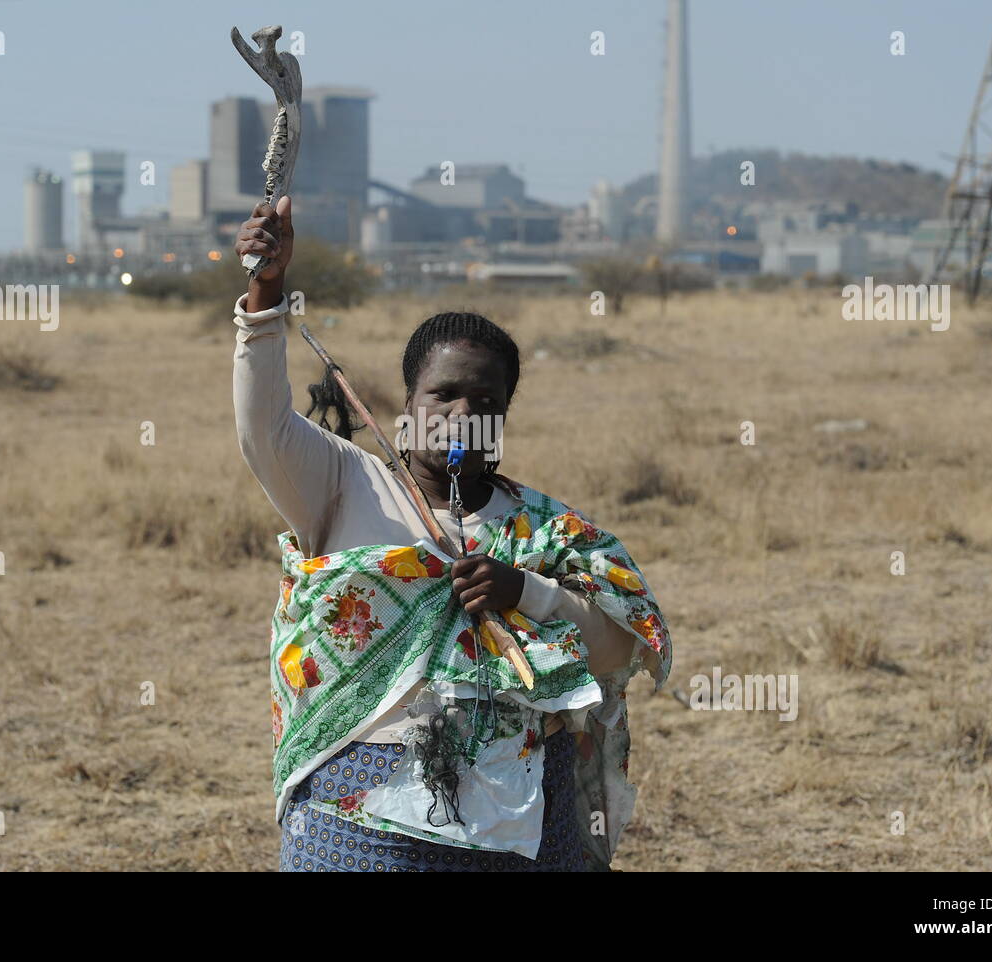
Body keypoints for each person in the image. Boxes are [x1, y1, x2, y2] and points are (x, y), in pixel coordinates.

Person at [233, 196, 672, 872]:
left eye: (488, 401)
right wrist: (266, 290)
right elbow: (263, 426)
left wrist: (526, 590)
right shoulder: (345, 484)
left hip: (518, 821)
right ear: (408, 404)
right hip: (359, 817)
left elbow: (622, 647)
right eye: (444, 395)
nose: (464, 413)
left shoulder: (544, 529)